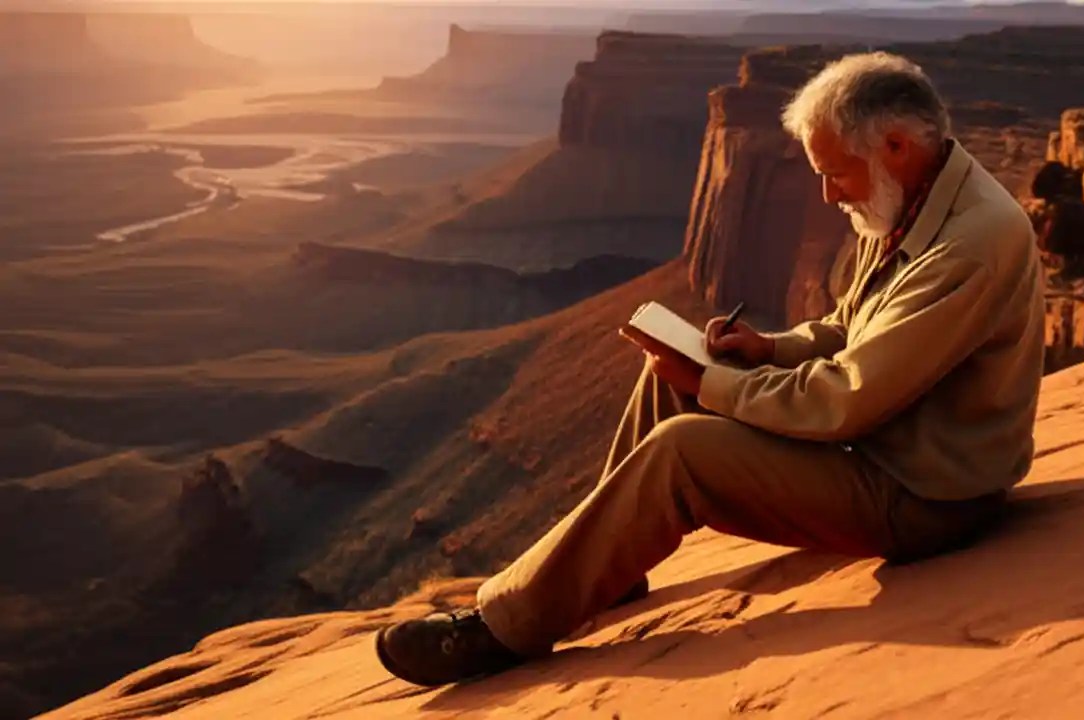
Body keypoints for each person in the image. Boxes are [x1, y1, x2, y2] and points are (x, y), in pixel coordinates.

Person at [374, 51, 1045, 687]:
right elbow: (850, 329)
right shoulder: (916, 201)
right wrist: (767, 349)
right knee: (672, 374)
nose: (827, 193)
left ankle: (504, 628)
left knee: (682, 450)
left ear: (896, 145)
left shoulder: (969, 246)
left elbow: (848, 398)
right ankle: (607, 569)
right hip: (890, 452)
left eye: (836, 173)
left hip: (926, 496)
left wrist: (716, 387)